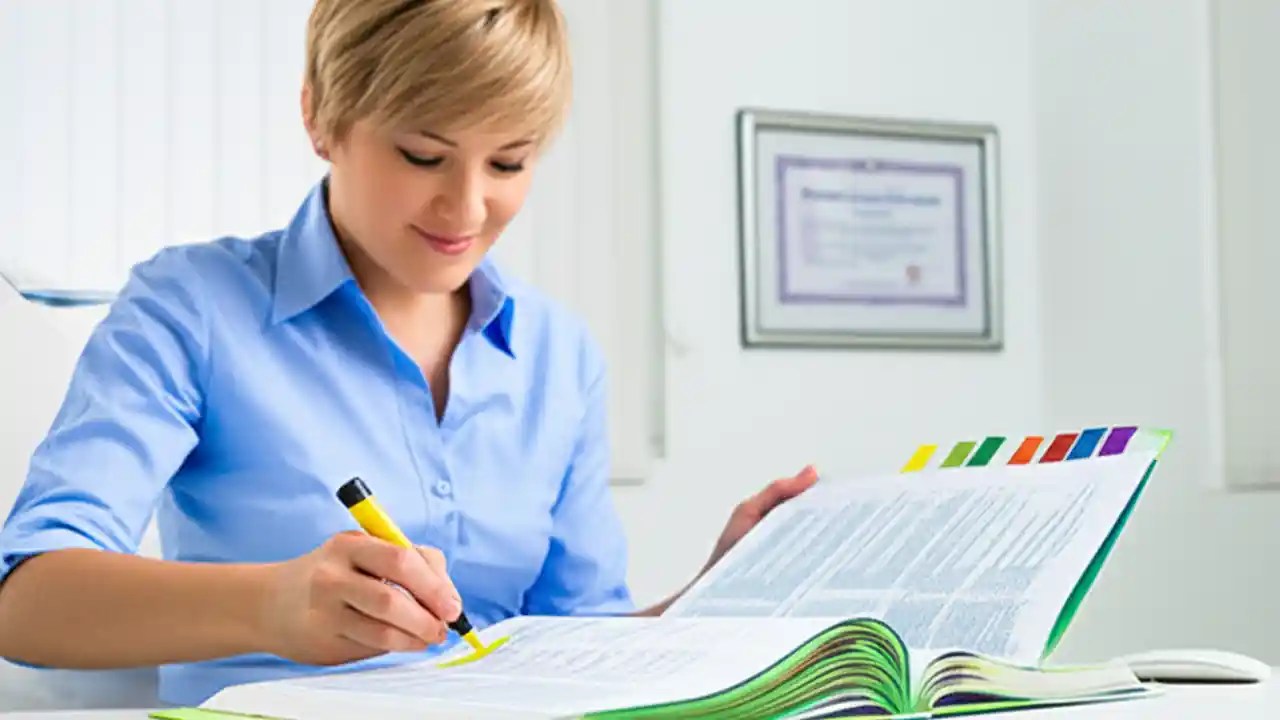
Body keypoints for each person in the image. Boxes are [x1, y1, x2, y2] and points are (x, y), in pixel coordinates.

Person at [0, 0, 817, 707]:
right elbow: (25, 602)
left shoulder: (558, 354)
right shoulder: (193, 306)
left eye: (510, 161)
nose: (467, 206)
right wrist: (274, 605)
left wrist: (711, 594)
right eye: (423, 155)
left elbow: (578, 640)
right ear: (320, 118)